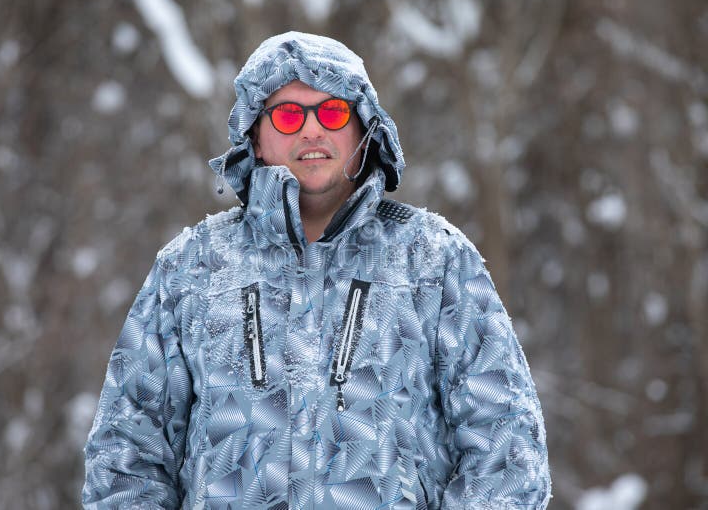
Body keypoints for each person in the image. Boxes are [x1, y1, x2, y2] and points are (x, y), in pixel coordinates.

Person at [83, 32, 551, 509]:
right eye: (288, 115)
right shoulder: (193, 267)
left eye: (332, 112)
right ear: (256, 137)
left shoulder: (433, 260)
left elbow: (508, 451)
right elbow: (125, 456)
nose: (312, 131)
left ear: (363, 131)